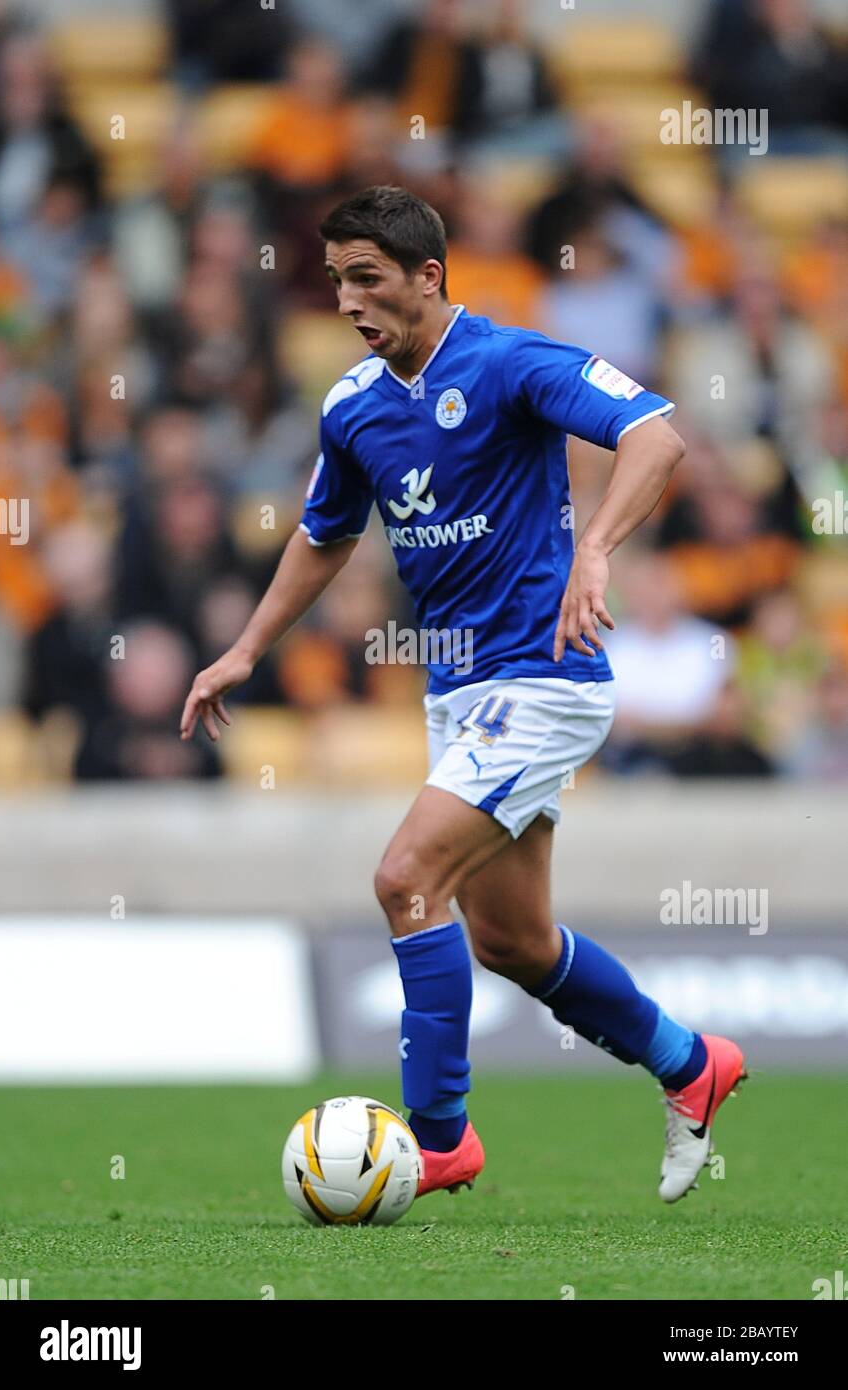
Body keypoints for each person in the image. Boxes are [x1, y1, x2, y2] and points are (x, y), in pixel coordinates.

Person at [179, 185, 746, 1205]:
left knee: (403, 877)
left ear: (428, 276)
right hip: (462, 692)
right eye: (338, 279)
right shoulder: (353, 404)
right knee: (512, 940)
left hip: (545, 674)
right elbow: (324, 535)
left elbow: (656, 434)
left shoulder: (509, 361)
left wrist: (596, 554)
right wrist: (246, 650)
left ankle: (439, 1139)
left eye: (369, 278)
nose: (349, 300)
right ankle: (689, 1060)